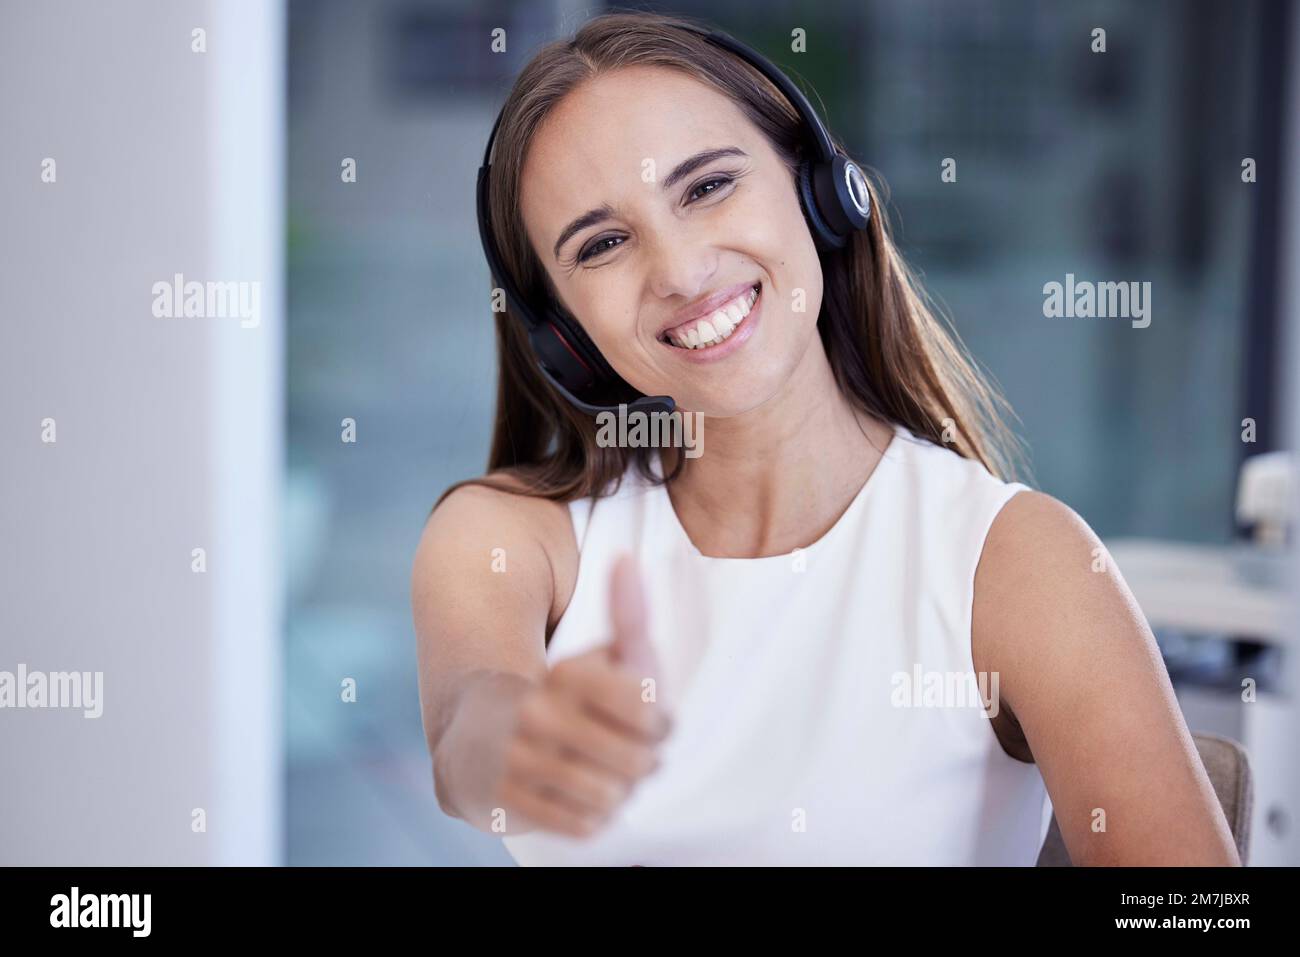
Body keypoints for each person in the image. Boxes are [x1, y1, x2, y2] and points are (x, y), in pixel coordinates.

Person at [411, 10, 1240, 865]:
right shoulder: (509, 539)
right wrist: (520, 744)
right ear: (562, 335)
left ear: (821, 193)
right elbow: (465, 734)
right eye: (605, 242)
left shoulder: (1018, 564)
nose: (682, 273)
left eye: (707, 187)